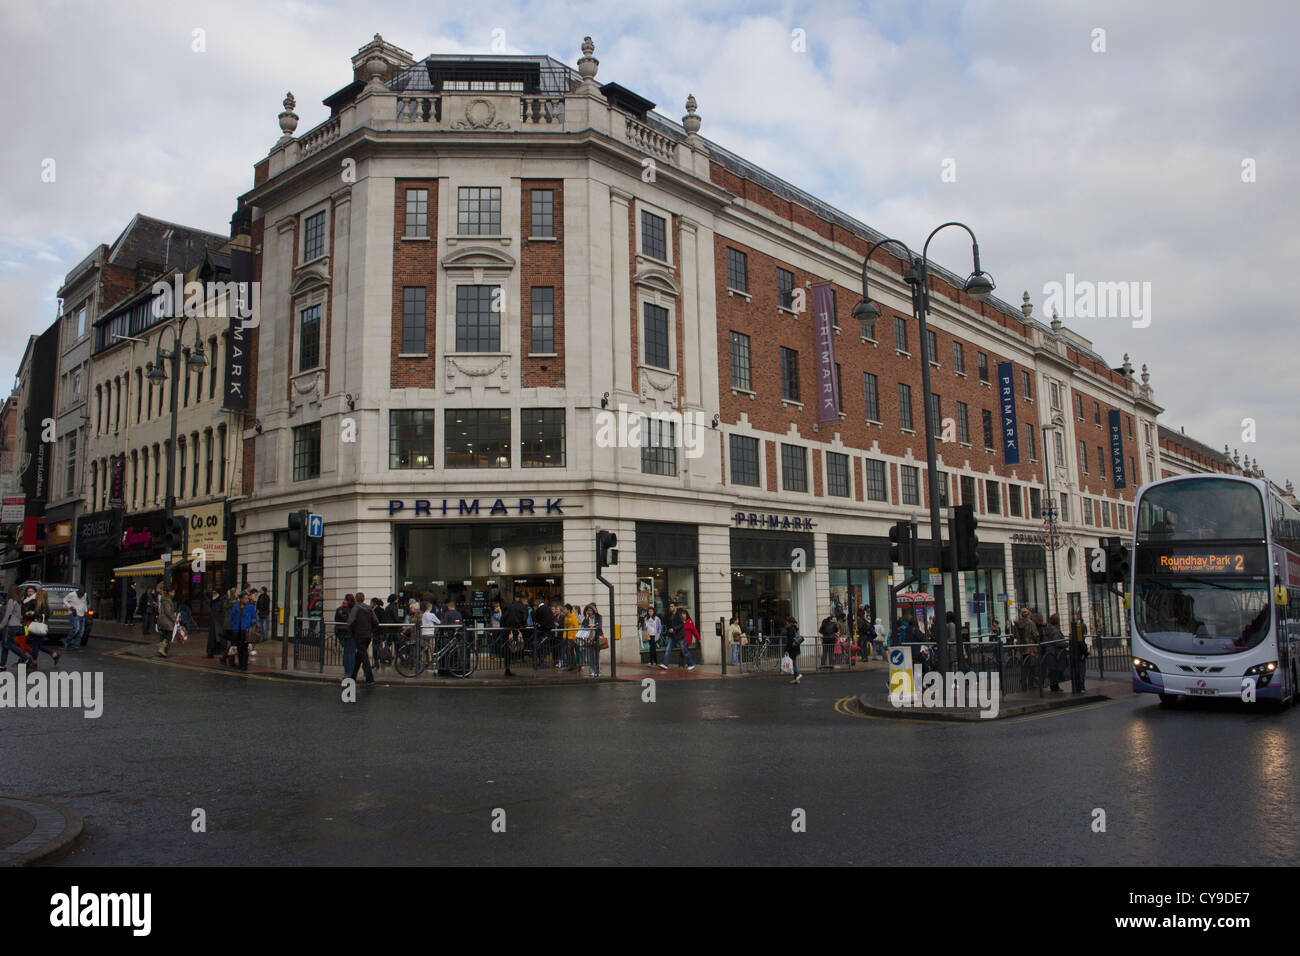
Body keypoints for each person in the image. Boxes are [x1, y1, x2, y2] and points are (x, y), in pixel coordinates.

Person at [347, 591, 378, 685]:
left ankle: (370, 679)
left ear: (356, 599)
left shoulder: (355, 608)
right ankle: (353, 676)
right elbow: (376, 622)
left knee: (364, 657)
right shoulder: (369, 609)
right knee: (359, 656)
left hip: (359, 635)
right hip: (368, 635)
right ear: (364, 599)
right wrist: (371, 630)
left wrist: (353, 632)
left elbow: (350, 622)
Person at [658, 601, 695, 671]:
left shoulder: (679, 614)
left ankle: (691, 664)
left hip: (680, 636)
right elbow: (669, 626)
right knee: (668, 649)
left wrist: (674, 629)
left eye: (672, 606)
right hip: (672, 636)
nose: (670, 608)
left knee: (684, 651)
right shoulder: (670, 615)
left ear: (675, 607)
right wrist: (668, 635)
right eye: (670, 606)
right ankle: (665, 664)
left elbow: (681, 624)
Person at [0, 586, 31, 670]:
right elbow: (19, 615)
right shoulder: (18, 601)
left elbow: (8, 615)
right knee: (5, 645)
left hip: (9, 626)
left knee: (9, 645)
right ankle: (2, 665)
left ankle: (25, 658)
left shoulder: (11, 601)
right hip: (16, 625)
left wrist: (1, 626)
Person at [228, 591, 258, 671]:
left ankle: (244, 665)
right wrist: (233, 624)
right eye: (245, 598)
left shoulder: (250, 607)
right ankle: (240, 664)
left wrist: (249, 623)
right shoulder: (235, 607)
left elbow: (255, 618)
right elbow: (232, 617)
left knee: (244, 648)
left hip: (245, 630)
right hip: (237, 629)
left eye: (247, 598)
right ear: (241, 599)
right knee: (238, 647)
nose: (247, 600)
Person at [335, 594, 355, 677]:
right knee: (351, 652)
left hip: (341, 633)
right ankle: (351, 671)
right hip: (350, 633)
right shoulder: (353, 609)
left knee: (345, 652)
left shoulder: (339, 609)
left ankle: (347, 670)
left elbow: (336, 621)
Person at [156, 583, 178, 658]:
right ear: (170, 592)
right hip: (166, 622)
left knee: (163, 635)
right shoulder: (167, 600)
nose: (174, 593)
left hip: (163, 621)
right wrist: (174, 619)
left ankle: (162, 651)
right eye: (173, 592)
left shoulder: (165, 599)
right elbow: (168, 611)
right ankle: (163, 650)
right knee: (168, 636)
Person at [206, 587, 226, 659]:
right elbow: (205, 593)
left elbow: (223, 612)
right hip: (213, 622)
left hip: (219, 622)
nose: (213, 595)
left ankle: (222, 653)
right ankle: (210, 652)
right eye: (213, 593)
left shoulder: (221, 600)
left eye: (215, 593)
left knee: (219, 638)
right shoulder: (213, 601)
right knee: (212, 639)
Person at [785, 615, 803, 684]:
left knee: (792, 663)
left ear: (789, 622)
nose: (786, 623)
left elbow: (790, 641)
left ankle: (798, 674)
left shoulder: (790, 629)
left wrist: (786, 649)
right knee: (794, 662)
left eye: (787, 622)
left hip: (792, 649)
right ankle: (796, 679)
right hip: (796, 648)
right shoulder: (794, 628)